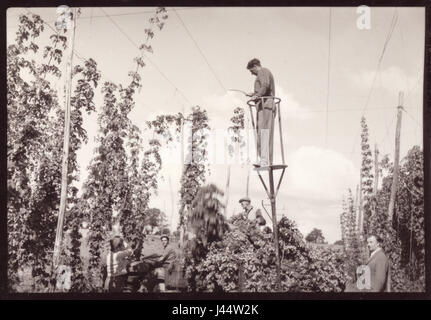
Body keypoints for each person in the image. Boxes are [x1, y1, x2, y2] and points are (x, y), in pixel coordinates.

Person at [246, 58, 276, 167]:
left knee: (265, 132)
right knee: (261, 132)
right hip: (262, 106)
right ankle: (263, 159)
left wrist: (257, 95)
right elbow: (262, 88)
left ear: (255, 66)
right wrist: (253, 93)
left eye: (251, 71)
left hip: (266, 104)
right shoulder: (262, 74)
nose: (251, 74)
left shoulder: (263, 71)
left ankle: (265, 160)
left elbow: (265, 86)